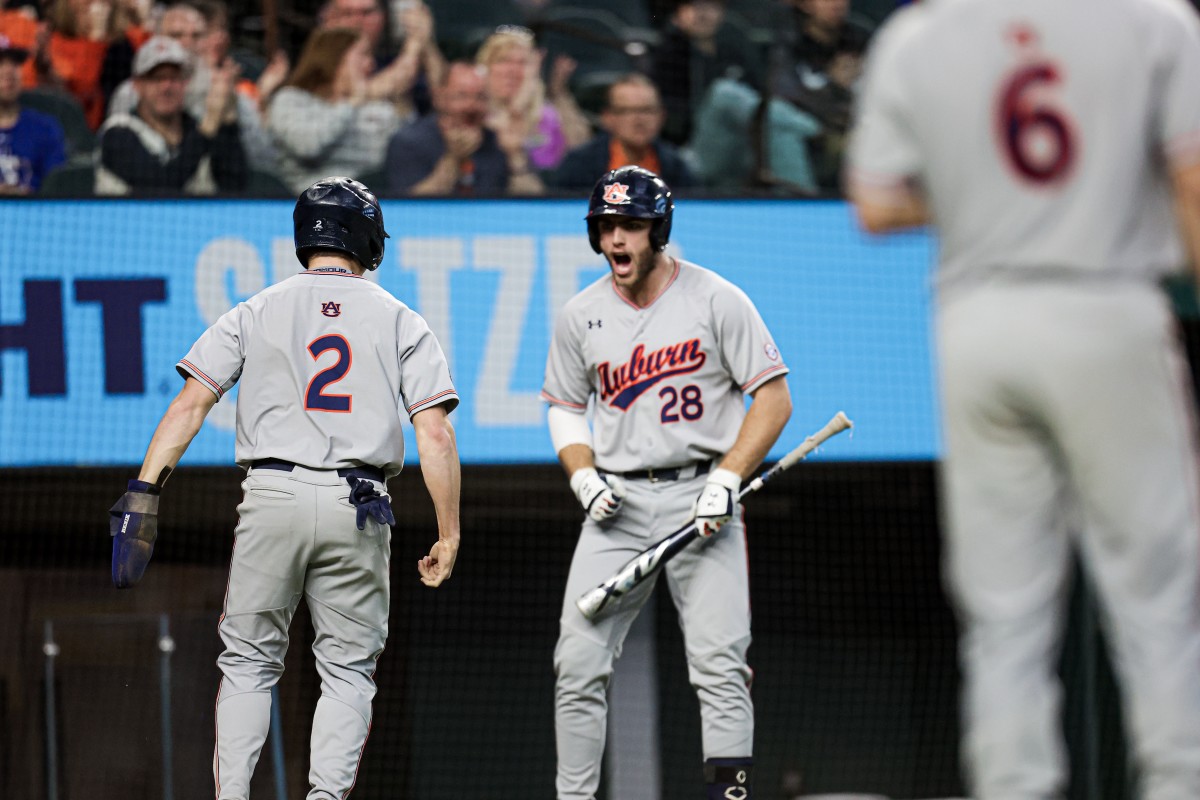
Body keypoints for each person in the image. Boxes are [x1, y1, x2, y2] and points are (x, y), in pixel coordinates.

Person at [846, 0, 1200, 796]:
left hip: (977, 318)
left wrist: (978, 205)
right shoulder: (1155, 20)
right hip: (1107, 302)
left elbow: (875, 204)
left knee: (1004, 607)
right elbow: (1192, 183)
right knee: (1156, 588)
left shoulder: (917, 35)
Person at [108, 176, 462, 799]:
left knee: (248, 661)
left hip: (272, 496)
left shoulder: (257, 308)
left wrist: (145, 489)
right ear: (367, 238)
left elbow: (189, 406)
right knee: (348, 671)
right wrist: (448, 531)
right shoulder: (401, 319)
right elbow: (434, 433)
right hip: (359, 505)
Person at [541, 165, 792, 799]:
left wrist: (728, 476)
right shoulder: (581, 314)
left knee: (721, 666)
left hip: (703, 499)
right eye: (606, 226)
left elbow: (773, 399)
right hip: (616, 506)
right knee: (577, 665)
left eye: (630, 225)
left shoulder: (715, 298)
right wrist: (583, 477)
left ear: (658, 230)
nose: (615, 239)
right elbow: (565, 407)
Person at [95, 34, 246, 194]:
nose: (166, 87)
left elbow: (235, 186)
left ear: (186, 82)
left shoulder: (195, 128)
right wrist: (208, 125)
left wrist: (228, 119)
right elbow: (157, 188)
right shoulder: (117, 132)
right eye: (157, 78)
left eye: (174, 78)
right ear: (138, 85)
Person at [266, 27, 403, 194]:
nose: (371, 63)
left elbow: (395, 161)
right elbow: (309, 147)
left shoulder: (379, 109)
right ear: (336, 58)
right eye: (363, 55)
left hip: (366, 202)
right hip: (304, 201)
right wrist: (350, 104)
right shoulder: (290, 100)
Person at [384, 60, 542, 196]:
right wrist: (453, 159)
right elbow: (410, 209)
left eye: (480, 97)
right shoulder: (409, 141)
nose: (471, 106)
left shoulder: (498, 141)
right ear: (440, 98)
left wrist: (515, 155)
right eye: (462, 96)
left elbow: (537, 206)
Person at [475, 25, 590, 175]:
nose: (512, 71)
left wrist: (559, 94)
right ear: (485, 68)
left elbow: (582, 151)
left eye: (522, 63)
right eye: (503, 61)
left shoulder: (547, 114)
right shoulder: (475, 113)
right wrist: (516, 109)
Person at [549, 74, 694, 191]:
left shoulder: (677, 168)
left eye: (647, 110)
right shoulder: (579, 166)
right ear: (608, 118)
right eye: (627, 111)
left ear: (662, 116)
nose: (639, 120)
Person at [648, 0, 763, 147]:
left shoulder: (735, 48)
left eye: (710, 7)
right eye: (695, 7)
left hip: (740, 139)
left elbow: (757, 90)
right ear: (678, 14)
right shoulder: (667, 53)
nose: (703, 15)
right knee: (723, 92)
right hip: (689, 142)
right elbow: (668, 111)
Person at [0, 32, 66, 193]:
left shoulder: (44, 128)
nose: (9, 71)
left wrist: (24, 197)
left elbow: (59, 189)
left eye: (15, 64)